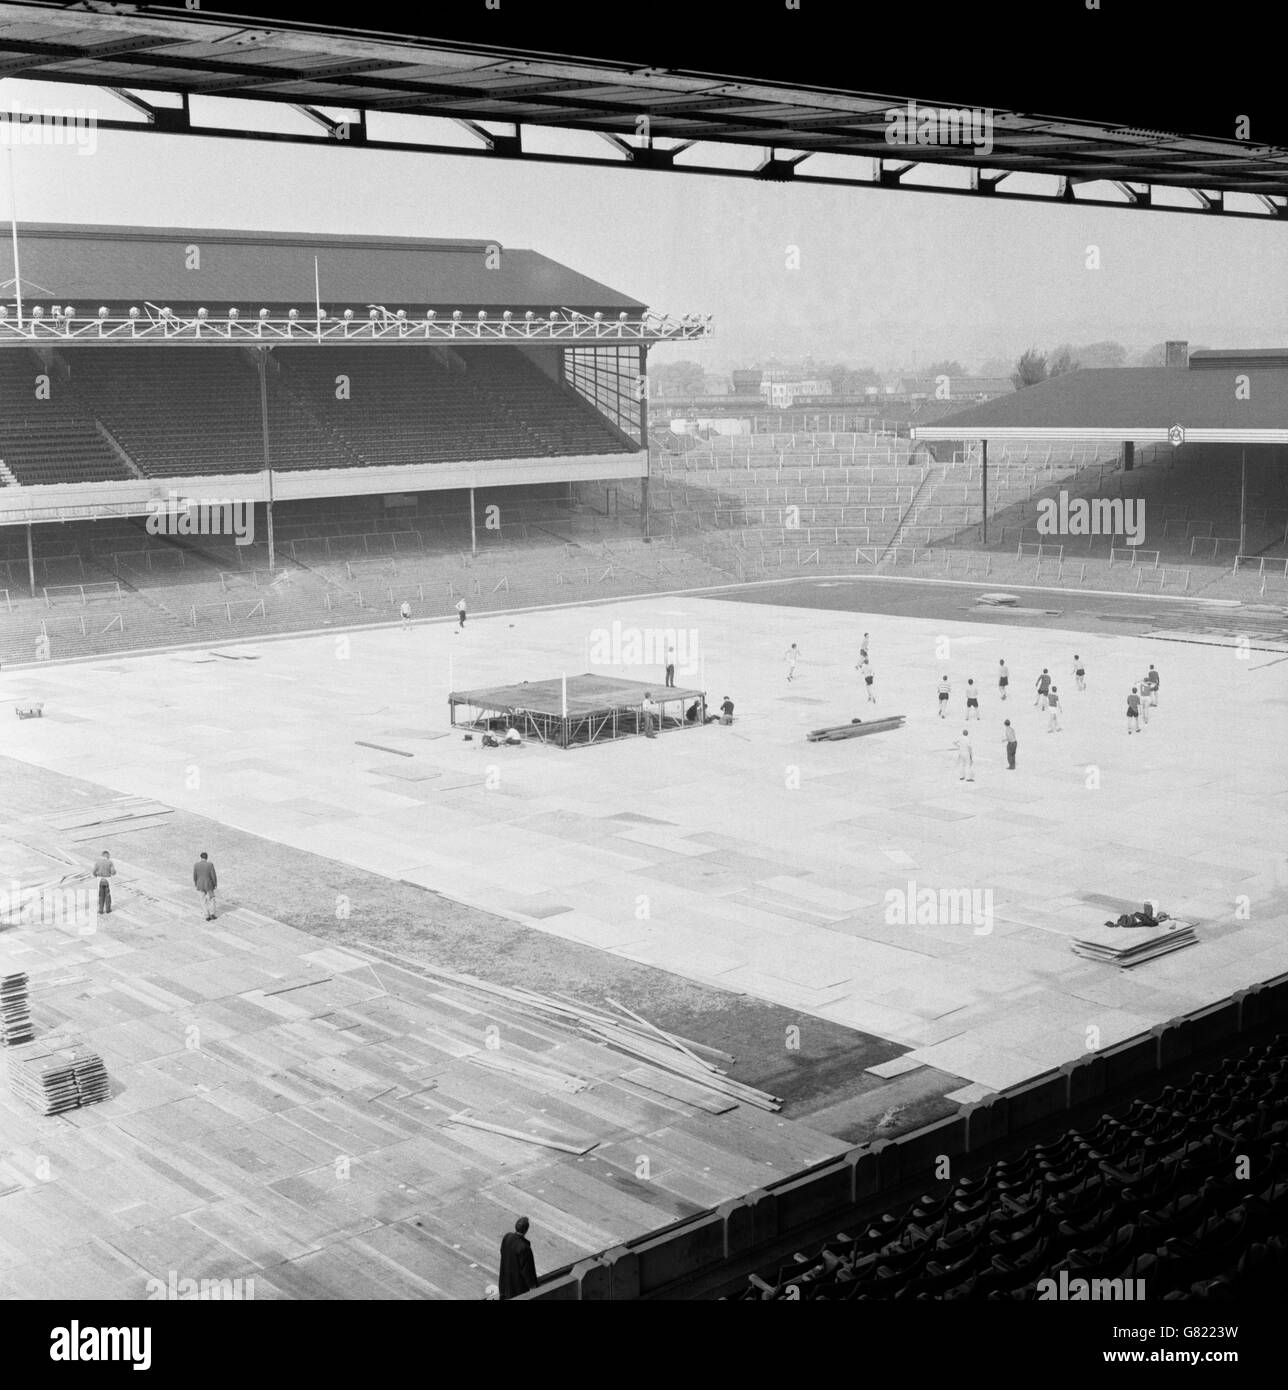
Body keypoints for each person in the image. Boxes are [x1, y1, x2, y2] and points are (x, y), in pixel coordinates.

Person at [498, 1216, 538, 1300]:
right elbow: (527, 1271)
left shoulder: (507, 1237)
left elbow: (502, 1252)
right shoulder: (525, 1248)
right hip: (517, 1288)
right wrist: (534, 1286)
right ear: (526, 1230)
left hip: (505, 1284)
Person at [193, 851, 218, 920]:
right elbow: (213, 875)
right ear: (207, 858)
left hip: (200, 885)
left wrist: (196, 883)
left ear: (200, 857)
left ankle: (207, 915)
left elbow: (195, 876)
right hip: (209, 885)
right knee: (212, 899)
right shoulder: (210, 865)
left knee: (203, 900)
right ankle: (213, 914)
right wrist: (215, 884)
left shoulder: (196, 865)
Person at [92, 849, 116, 915]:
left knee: (101, 895)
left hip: (100, 879)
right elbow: (113, 872)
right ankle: (108, 909)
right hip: (107, 879)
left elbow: (93, 871)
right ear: (107, 855)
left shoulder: (98, 862)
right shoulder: (110, 862)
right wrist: (113, 873)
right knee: (107, 895)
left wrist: (96, 876)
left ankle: (100, 910)